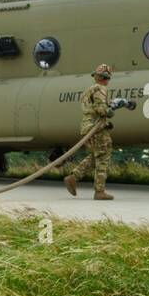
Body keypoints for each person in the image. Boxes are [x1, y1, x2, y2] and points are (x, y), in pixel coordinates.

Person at [64, 64, 116, 201]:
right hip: (95, 127)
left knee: (97, 154)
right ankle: (99, 191)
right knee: (104, 155)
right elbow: (101, 109)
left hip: (87, 126)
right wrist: (110, 110)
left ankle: (73, 178)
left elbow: (91, 109)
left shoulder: (89, 90)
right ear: (106, 78)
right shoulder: (101, 89)